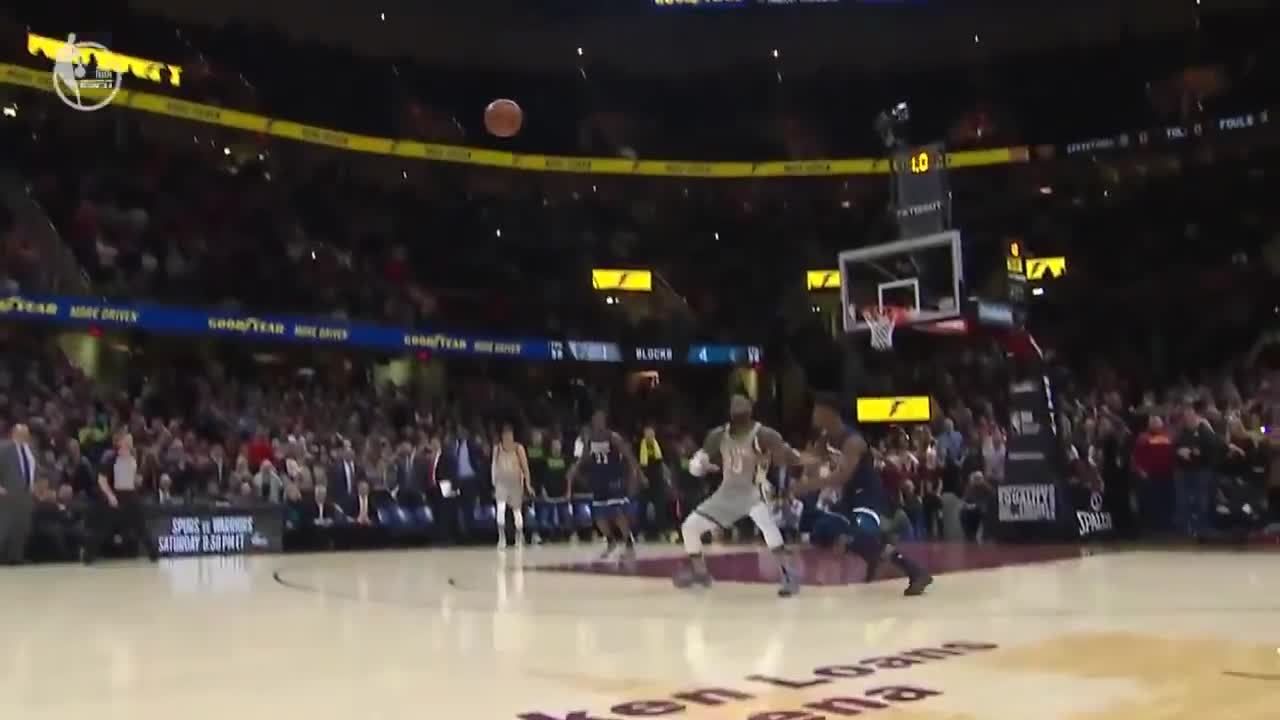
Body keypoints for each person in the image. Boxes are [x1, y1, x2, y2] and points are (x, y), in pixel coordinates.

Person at [793, 393, 933, 596]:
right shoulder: (826, 438)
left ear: (828, 414)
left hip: (867, 496)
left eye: (816, 411)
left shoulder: (853, 441)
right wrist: (785, 457)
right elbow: (811, 459)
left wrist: (808, 486)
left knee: (864, 537)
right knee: (820, 531)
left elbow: (843, 476)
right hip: (848, 499)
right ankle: (872, 553)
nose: (813, 416)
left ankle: (915, 571)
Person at [672, 395, 812, 597]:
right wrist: (701, 466)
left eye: (742, 403)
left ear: (750, 409)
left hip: (754, 490)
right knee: (689, 527)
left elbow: (789, 457)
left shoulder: (764, 434)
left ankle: (789, 574)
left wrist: (811, 460)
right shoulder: (718, 435)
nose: (737, 407)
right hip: (728, 491)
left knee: (768, 528)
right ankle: (700, 573)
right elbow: (695, 467)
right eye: (734, 403)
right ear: (729, 410)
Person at [566, 409, 642, 560]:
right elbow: (584, 457)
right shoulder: (590, 439)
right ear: (593, 421)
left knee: (617, 514)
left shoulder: (613, 437)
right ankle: (610, 541)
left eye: (601, 419)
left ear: (605, 421)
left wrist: (638, 474)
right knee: (599, 516)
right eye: (596, 419)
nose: (598, 421)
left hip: (614, 479)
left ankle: (628, 544)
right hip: (598, 480)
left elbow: (629, 456)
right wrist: (574, 469)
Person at [85, 433, 159, 564]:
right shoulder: (111, 459)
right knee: (103, 528)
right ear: (120, 442)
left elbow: (135, 478)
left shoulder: (135, 457)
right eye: (127, 440)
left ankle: (154, 555)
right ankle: (88, 557)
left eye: (131, 439)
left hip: (131, 495)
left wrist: (138, 480)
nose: (130, 442)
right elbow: (102, 480)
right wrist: (110, 496)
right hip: (116, 496)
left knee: (142, 527)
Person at [0, 423, 36, 564]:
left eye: (27, 433)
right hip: (8, 494)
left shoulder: (31, 449)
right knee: (4, 527)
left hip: (26, 494)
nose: (26, 436)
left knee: (22, 527)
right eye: (22, 433)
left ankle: (15, 557)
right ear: (14, 433)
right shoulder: (3, 448)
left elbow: (34, 469)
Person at [492, 424, 532, 548]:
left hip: (515, 483)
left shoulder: (518, 448)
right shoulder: (497, 448)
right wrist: (494, 482)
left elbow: (525, 467)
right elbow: (493, 466)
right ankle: (501, 537)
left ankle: (519, 537)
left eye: (510, 435)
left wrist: (528, 484)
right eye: (505, 435)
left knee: (516, 512)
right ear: (502, 436)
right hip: (501, 483)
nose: (508, 437)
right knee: (501, 509)